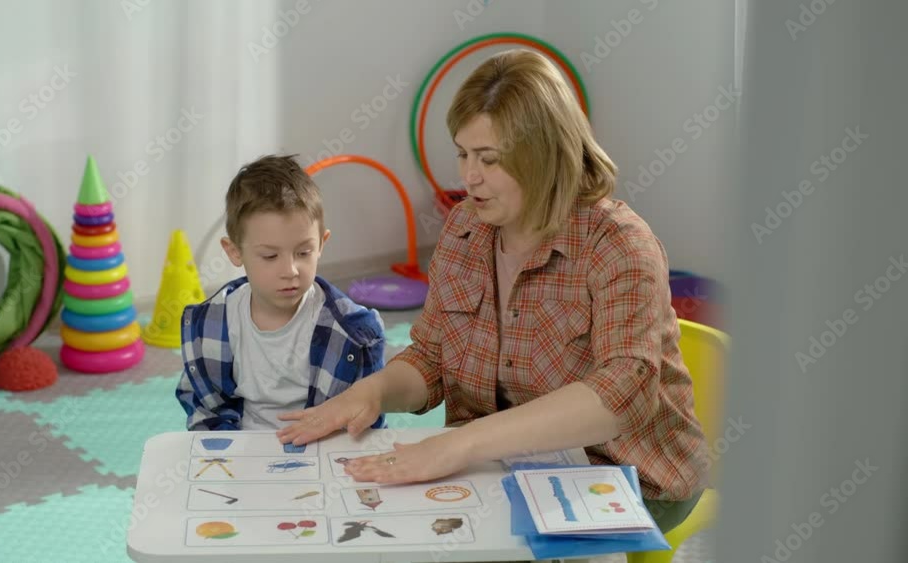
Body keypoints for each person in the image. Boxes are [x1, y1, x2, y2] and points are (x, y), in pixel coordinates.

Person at [277, 49, 707, 532]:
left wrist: (461, 443)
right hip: (503, 464)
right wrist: (373, 392)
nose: (468, 176)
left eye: (490, 159)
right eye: (463, 154)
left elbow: (619, 396)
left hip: (626, 475)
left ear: (544, 154)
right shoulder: (465, 229)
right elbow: (434, 356)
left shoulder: (621, 245)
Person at [175, 154, 387, 432]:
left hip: (321, 449)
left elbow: (366, 420)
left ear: (322, 243)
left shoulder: (353, 333)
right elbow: (204, 406)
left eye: (303, 252)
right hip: (241, 452)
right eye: (270, 256)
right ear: (234, 252)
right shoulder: (210, 323)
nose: (290, 270)